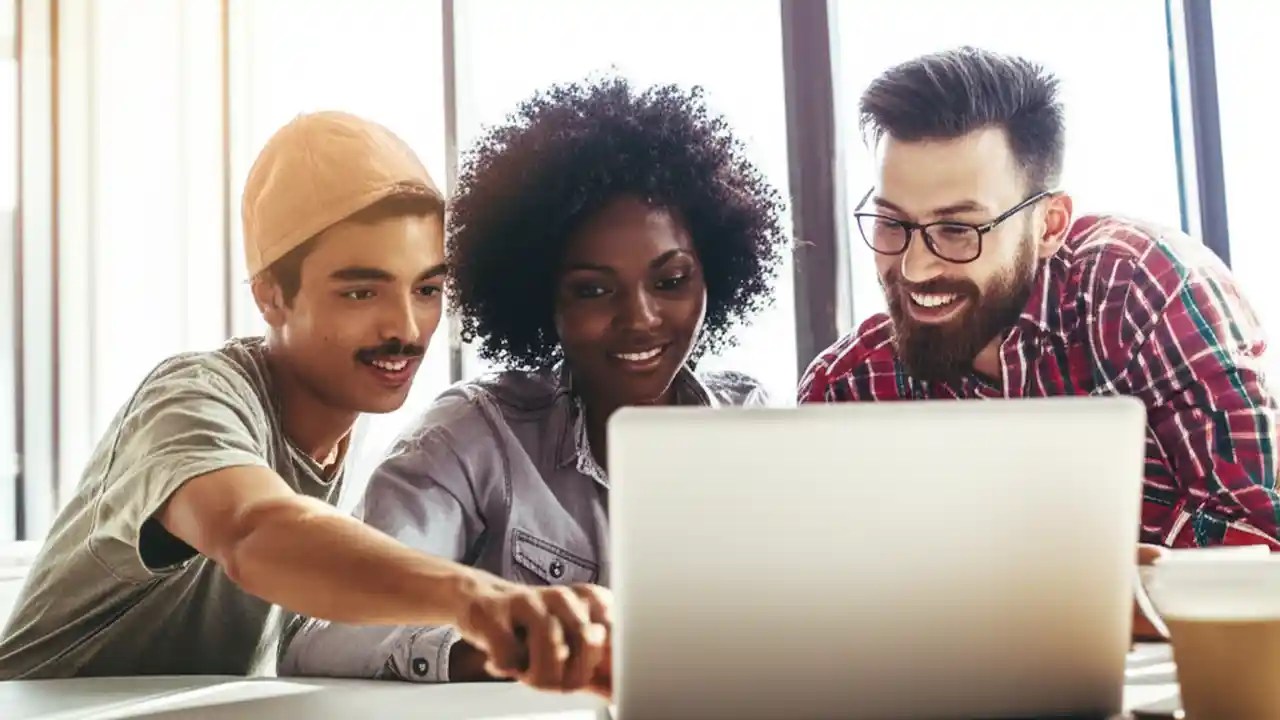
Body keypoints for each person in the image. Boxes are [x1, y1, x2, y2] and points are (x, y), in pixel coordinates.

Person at [0, 111, 610, 694]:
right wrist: (478, 600)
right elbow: (254, 530)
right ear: (270, 296)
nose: (406, 328)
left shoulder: (359, 431)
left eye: (426, 289)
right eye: (361, 292)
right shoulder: (192, 398)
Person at [278, 76, 789, 688]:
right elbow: (327, 637)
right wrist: (516, 649)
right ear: (543, 297)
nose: (641, 318)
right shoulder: (474, 438)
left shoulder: (752, 420)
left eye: (671, 281)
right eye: (593, 290)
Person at [799, 45, 1278, 636]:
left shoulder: (1142, 293)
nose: (915, 267)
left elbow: (1258, 550)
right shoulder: (844, 391)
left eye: (958, 229)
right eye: (893, 224)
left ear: (1049, 225)